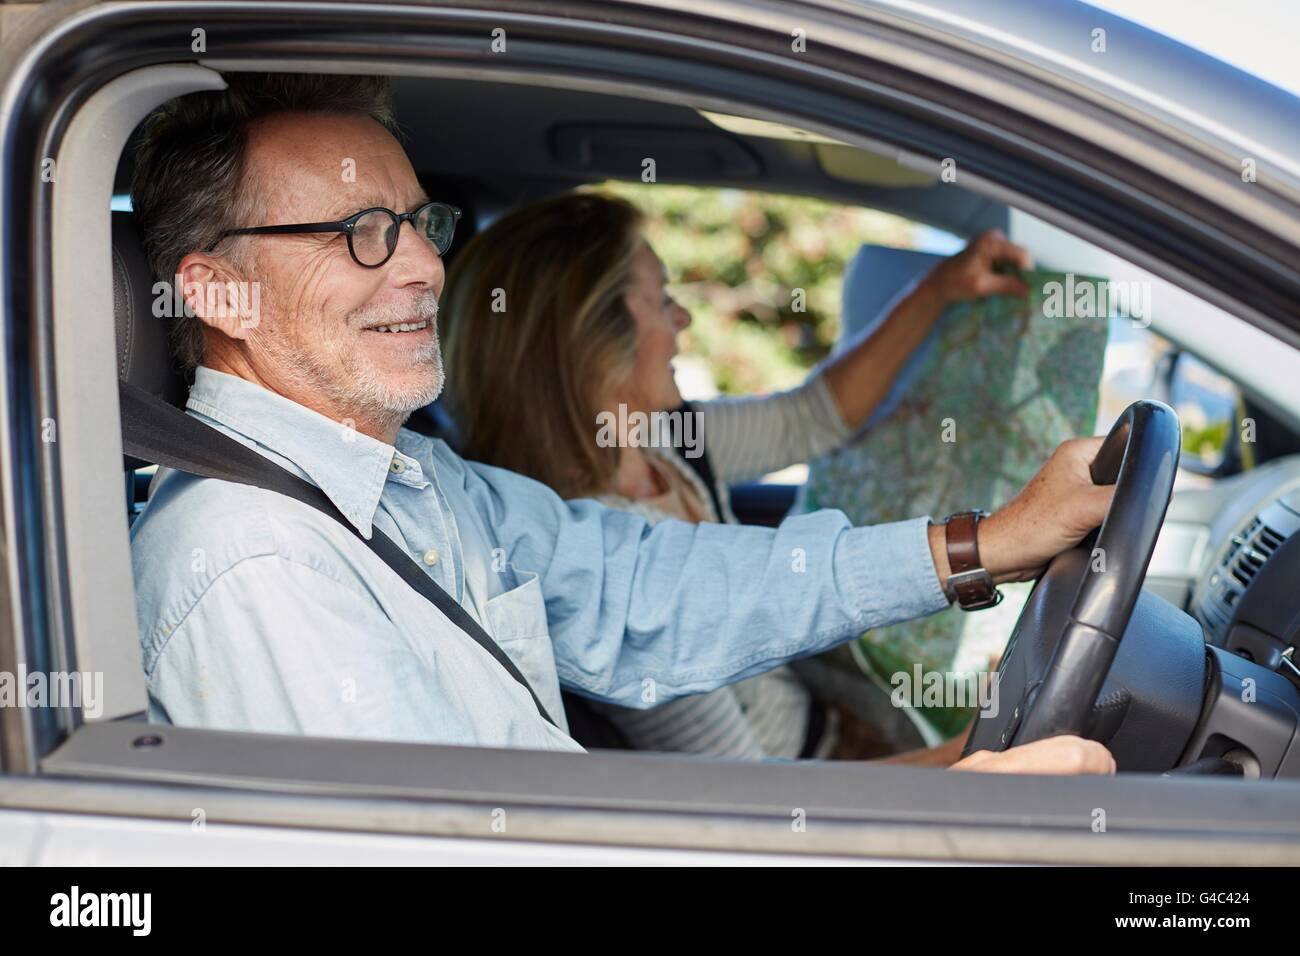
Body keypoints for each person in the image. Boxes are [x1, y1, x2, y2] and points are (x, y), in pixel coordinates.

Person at [128, 72, 1115, 775]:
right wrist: (932, 818)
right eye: (360, 234)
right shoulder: (260, 562)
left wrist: (984, 543)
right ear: (221, 295)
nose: (425, 268)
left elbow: (647, 583)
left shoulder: (419, 482)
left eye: (421, 226)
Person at [439, 191, 1030, 762]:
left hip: (834, 722)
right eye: (663, 298)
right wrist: (964, 756)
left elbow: (812, 418)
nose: (685, 316)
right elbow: (754, 796)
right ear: (595, 339)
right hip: (815, 787)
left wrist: (938, 290)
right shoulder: (592, 577)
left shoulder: (666, 440)